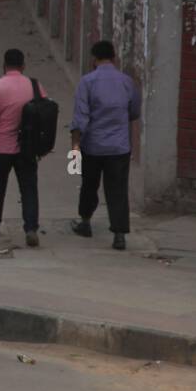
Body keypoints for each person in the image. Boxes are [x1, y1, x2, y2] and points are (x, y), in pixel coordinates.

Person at [70, 40, 142, 250]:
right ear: (114, 58)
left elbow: (81, 116)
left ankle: (85, 222)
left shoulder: (87, 82)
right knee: (118, 189)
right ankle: (119, 234)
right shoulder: (127, 82)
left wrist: (75, 144)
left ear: (94, 59)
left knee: (89, 185)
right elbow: (135, 111)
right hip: (119, 147)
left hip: (93, 145)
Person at [0, 48, 45, 247]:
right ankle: (31, 228)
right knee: (29, 189)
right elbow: (43, 114)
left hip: (3, 148)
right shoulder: (35, 86)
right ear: (23, 66)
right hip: (28, 149)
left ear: (4, 65)